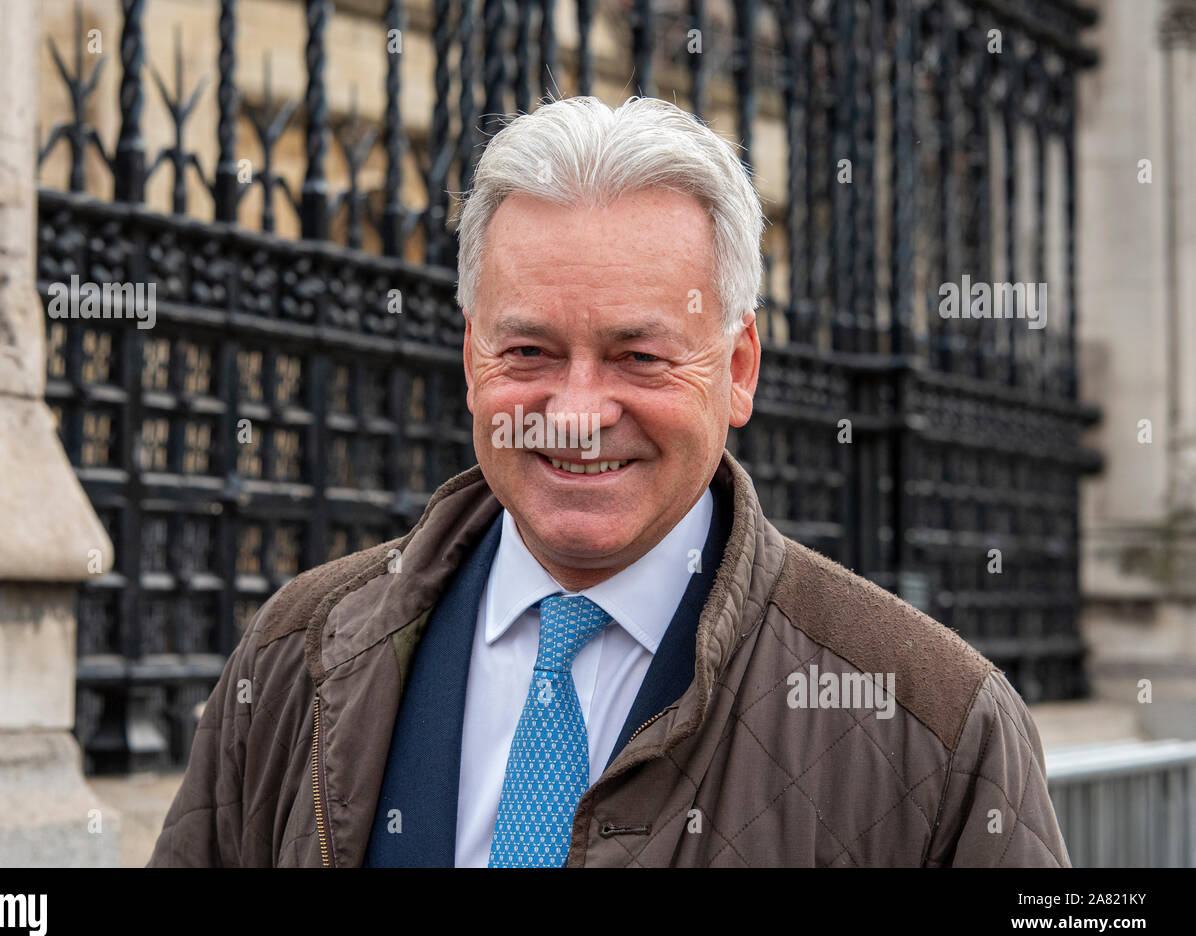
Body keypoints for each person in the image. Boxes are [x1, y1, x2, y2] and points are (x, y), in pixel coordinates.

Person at [148, 96, 1069, 867]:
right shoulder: (294, 655)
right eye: (531, 350)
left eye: (638, 355)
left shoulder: (937, 728)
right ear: (472, 357)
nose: (579, 412)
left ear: (739, 367)